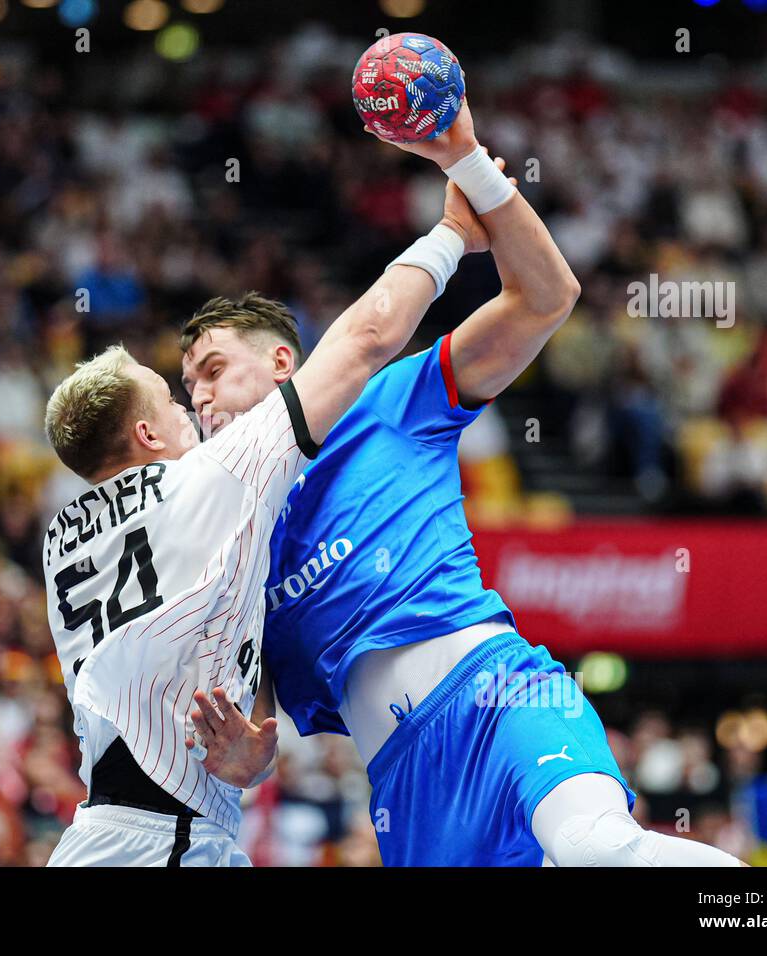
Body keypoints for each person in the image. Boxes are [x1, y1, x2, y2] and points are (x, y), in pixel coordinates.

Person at [181, 99, 744, 867]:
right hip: (405, 790)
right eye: (186, 388)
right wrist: (243, 757)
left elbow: (546, 300)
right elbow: (257, 746)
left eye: (212, 369)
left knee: (596, 849)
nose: (199, 397)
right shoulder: (229, 537)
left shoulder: (389, 403)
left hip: (499, 693)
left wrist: (468, 163)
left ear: (283, 362)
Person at [40, 133, 489, 865]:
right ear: (149, 431)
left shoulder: (63, 537)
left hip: (118, 832)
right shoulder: (210, 478)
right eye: (178, 401)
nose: (199, 410)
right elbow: (366, 338)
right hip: (165, 842)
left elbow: (216, 632)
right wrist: (453, 237)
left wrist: (254, 743)